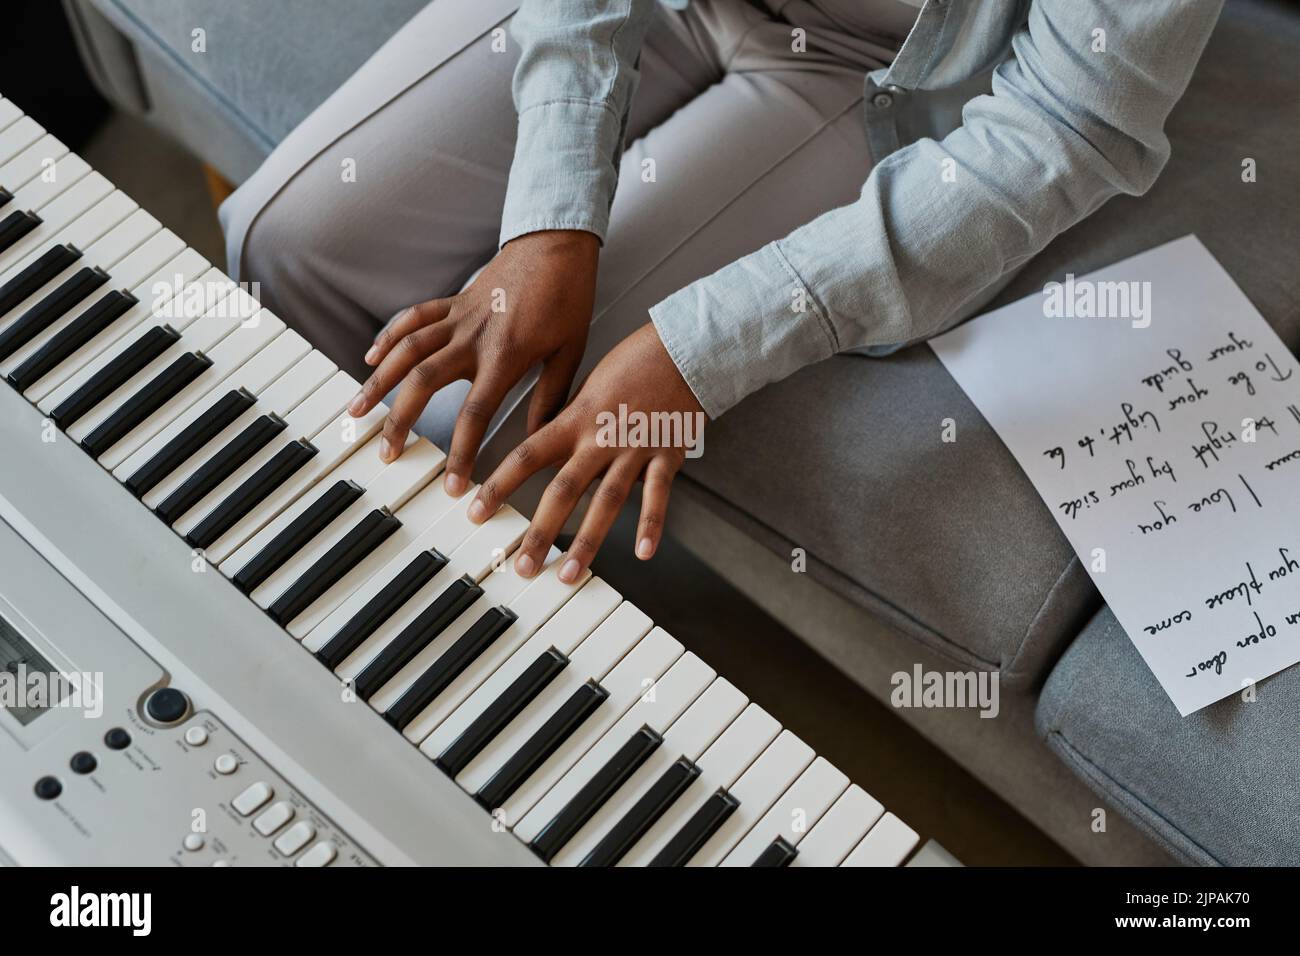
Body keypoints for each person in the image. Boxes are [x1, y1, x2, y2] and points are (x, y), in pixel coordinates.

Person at [220, 0, 1223, 586]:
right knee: (286, 241)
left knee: (479, 424)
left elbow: (1067, 128)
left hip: (875, 71)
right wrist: (548, 220)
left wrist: (698, 349)